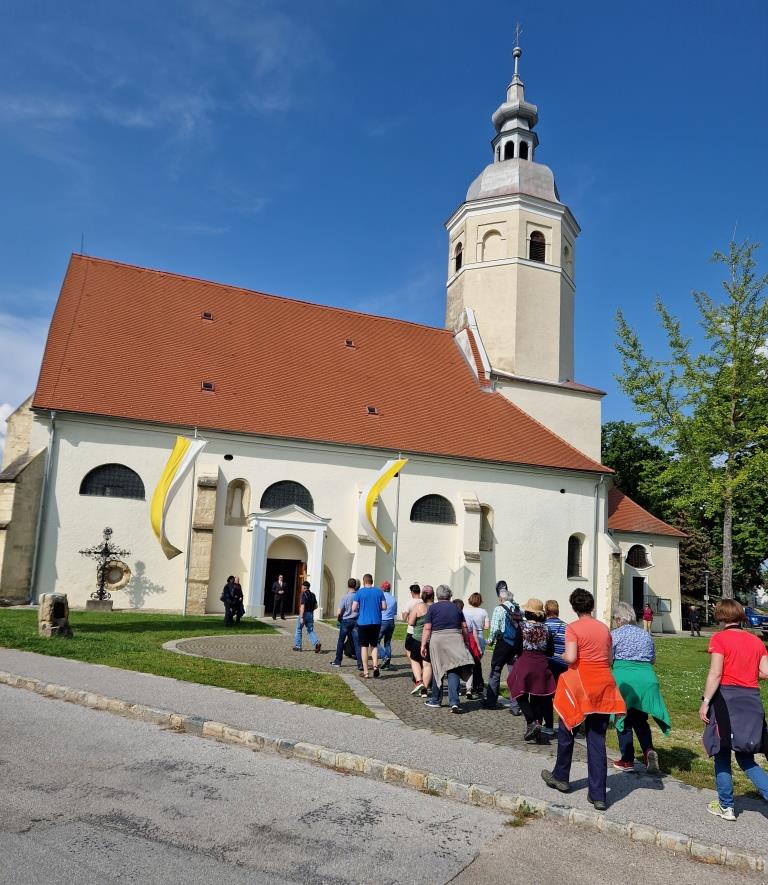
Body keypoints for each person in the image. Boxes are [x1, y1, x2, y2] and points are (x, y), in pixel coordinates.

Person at [542, 588, 626, 812]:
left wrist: (560, 656)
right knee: (596, 738)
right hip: (603, 685)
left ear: (573, 607)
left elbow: (571, 657)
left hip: (580, 684)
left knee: (567, 728)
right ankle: (598, 794)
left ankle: (561, 776)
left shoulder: (573, 628)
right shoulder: (603, 628)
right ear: (592, 606)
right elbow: (609, 659)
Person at [700, 599, 768, 821]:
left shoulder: (719, 638)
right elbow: (765, 672)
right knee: (746, 757)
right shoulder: (756, 641)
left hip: (726, 701)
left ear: (720, 617)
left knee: (721, 753)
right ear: (740, 616)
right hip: (751, 700)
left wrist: (706, 701)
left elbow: (715, 673)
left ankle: (726, 806)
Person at [610, 601, 670, 774]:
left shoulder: (615, 635)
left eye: (615, 619)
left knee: (623, 718)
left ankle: (627, 759)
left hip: (625, 679)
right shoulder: (645, 635)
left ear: (620, 619)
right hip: (646, 679)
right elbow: (652, 660)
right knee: (640, 719)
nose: (615, 621)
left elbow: (609, 659)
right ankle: (648, 750)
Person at [507, 598, 555, 743]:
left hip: (525, 661)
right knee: (537, 696)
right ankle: (537, 729)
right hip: (541, 663)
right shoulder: (546, 628)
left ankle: (531, 722)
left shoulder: (522, 626)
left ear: (528, 612)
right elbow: (551, 651)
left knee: (518, 691)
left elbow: (516, 646)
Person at [421, 585, 474, 713]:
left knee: (437, 669)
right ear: (450, 595)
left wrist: (423, 644)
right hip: (455, 639)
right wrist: (466, 641)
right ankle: (454, 702)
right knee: (454, 669)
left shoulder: (433, 608)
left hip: (437, 639)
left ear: (437, 595)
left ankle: (435, 700)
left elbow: (427, 627)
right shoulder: (456, 608)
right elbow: (464, 627)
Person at [484, 586, 522, 712]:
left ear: (501, 598)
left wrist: (489, 641)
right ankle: (515, 706)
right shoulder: (517, 609)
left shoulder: (499, 609)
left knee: (495, 671)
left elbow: (494, 628)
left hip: (503, 644)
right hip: (515, 645)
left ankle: (491, 702)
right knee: (513, 674)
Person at [352, 574, 386, 678]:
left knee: (364, 646)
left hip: (363, 622)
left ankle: (366, 671)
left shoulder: (359, 592)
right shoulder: (379, 592)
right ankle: (375, 666)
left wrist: (360, 609)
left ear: (363, 581)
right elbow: (384, 607)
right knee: (374, 645)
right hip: (376, 622)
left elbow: (353, 608)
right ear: (372, 581)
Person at [542, 599, 568, 735]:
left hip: (548, 663)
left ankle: (549, 726)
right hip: (564, 665)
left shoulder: (544, 626)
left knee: (547, 695)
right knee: (561, 695)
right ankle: (565, 724)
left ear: (546, 611)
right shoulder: (566, 626)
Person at [407, 586, 434, 695]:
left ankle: (419, 681)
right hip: (431, 639)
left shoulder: (418, 607)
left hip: (417, 638)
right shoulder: (435, 607)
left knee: (414, 660)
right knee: (427, 664)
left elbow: (411, 622)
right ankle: (425, 689)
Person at [331, 578, 362, 670]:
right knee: (357, 643)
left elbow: (339, 612)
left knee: (341, 641)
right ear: (355, 585)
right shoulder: (358, 596)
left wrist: (339, 618)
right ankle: (360, 664)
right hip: (356, 620)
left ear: (348, 585)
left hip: (346, 621)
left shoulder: (345, 597)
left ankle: (338, 661)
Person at [463, 592, 489, 700]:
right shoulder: (483, 612)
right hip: (479, 636)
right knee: (477, 662)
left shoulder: (465, 611)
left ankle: (470, 685)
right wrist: (480, 625)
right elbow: (487, 626)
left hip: (468, 637)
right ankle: (479, 685)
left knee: (469, 662)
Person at [292, 581, 321, 653]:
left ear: (304, 587)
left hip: (304, 614)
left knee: (298, 629)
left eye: (302, 586)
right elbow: (316, 606)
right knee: (310, 630)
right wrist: (310, 610)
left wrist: (301, 617)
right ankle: (317, 643)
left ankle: (298, 646)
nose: (301, 588)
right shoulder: (313, 595)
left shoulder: (304, 594)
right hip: (310, 614)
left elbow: (302, 606)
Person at [377, 580, 398, 670]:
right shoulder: (393, 599)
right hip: (391, 622)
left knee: (375, 641)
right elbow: (395, 612)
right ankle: (387, 664)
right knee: (387, 643)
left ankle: (384, 656)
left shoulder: (381, 597)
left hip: (383, 621)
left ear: (382, 588)